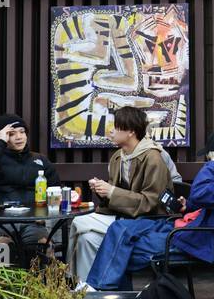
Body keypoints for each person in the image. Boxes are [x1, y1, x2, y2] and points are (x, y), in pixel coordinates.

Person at [85, 148, 214, 291]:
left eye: (210, 157)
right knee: (120, 227)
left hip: (191, 239)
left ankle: (104, 295)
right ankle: (101, 291)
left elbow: (200, 193)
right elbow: (210, 202)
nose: (209, 161)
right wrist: (188, 206)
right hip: (182, 226)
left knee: (121, 253)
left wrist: (213, 165)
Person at [68, 106, 172, 281]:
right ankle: (86, 291)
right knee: (88, 238)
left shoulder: (153, 158)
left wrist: (112, 191)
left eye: (116, 127)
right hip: (122, 217)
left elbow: (151, 202)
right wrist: (102, 191)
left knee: (79, 221)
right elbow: (115, 197)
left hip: (147, 221)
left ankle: (67, 276)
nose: (111, 131)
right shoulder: (118, 156)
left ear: (130, 131)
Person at [0, 113, 59, 262]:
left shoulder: (39, 160)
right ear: (3, 136)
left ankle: (40, 284)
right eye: (12, 134)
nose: (19, 137)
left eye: (22, 132)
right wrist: (0, 144)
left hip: (32, 223)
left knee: (43, 247)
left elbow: (55, 188)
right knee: (3, 248)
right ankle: (3, 285)